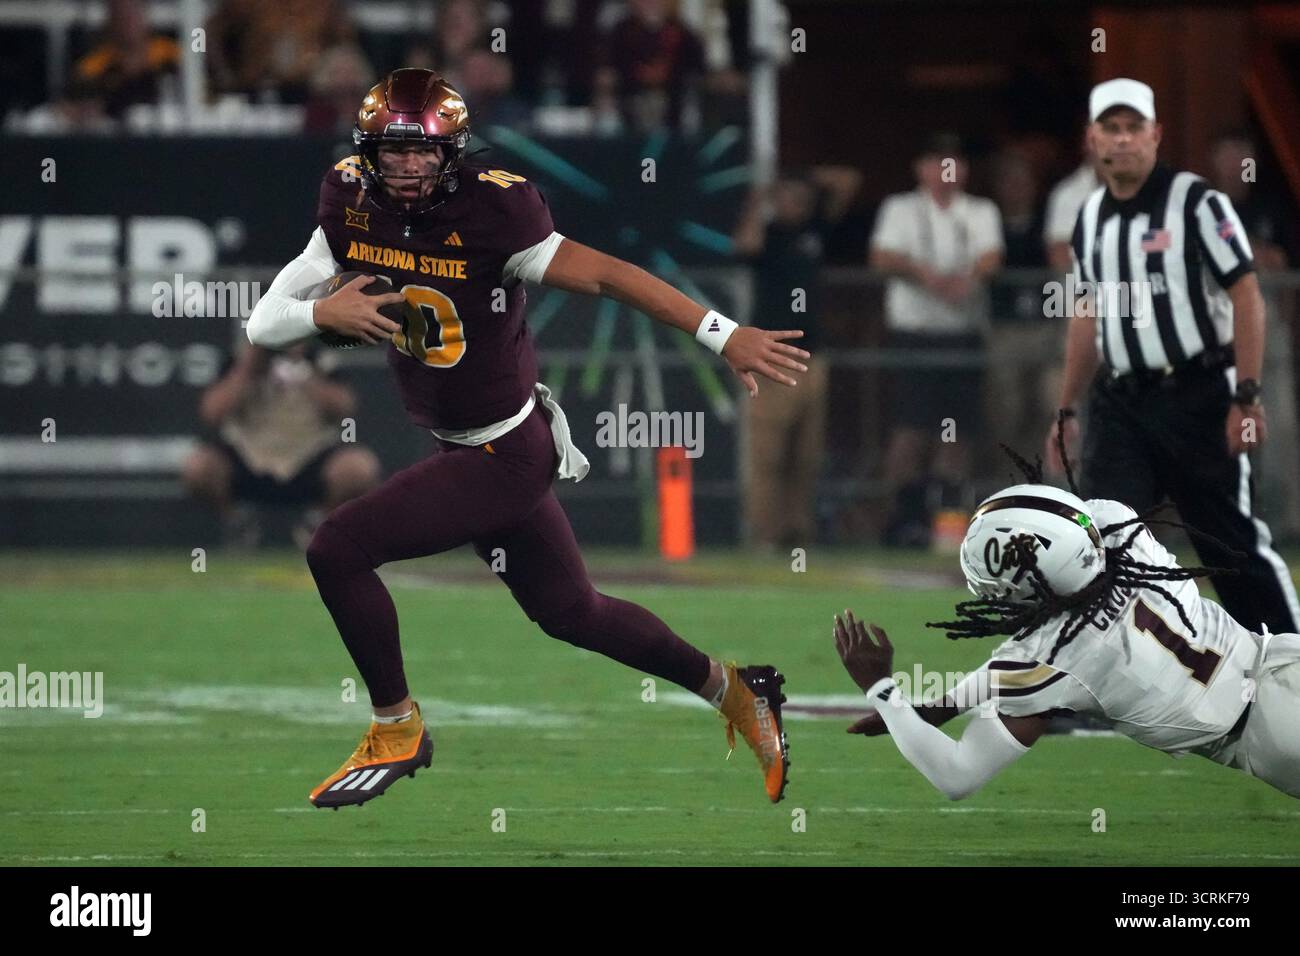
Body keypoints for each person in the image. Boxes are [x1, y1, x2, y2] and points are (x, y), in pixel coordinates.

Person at [245, 68, 802, 808]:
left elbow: (606, 276)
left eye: (423, 152)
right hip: (467, 444)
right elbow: (262, 322)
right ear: (367, 150)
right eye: (392, 150)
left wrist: (721, 333)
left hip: (504, 452)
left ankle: (396, 726)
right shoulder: (349, 196)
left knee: (336, 549)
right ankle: (735, 689)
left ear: (456, 152)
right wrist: (321, 315)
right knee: (574, 613)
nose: (407, 166)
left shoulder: (495, 210)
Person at [833, 476, 1300, 801]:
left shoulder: (1055, 658)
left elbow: (956, 774)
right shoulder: (1120, 529)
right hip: (1283, 660)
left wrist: (885, 692)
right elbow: (1064, 524)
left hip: (1270, 740)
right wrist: (939, 708)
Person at [1045, 78, 1300, 635]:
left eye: (1134, 127)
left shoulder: (1197, 203)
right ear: (1092, 139)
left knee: (1230, 544)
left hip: (1198, 395)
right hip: (1121, 402)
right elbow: (1087, 313)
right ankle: (1078, 687)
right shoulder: (1088, 218)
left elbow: (1246, 293)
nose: (1123, 140)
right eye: (1111, 129)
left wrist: (1247, 394)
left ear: (1156, 135)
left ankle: (1292, 661)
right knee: (1098, 544)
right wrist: (1066, 409)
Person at [869, 133, 1004, 546]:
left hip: (962, 335)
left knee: (957, 435)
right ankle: (897, 521)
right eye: (937, 162)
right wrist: (925, 275)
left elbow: (991, 257)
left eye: (954, 162)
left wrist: (968, 280)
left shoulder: (979, 210)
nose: (946, 172)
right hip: (915, 336)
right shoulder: (901, 208)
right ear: (922, 168)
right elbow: (881, 257)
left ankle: (947, 527)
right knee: (910, 431)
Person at [731, 167, 861, 549]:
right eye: (790, 197)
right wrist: (762, 198)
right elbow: (744, 246)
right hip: (770, 354)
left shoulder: (813, 232)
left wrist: (812, 181)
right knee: (767, 452)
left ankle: (797, 534)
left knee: (806, 454)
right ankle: (762, 535)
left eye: (803, 199)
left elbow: (848, 182)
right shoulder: (768, 236)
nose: (798, 204)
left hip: (812, 356)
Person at [183, 343, 380, 549]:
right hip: (247, 454)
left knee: (358, 469)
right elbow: (212, 413)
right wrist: (249, 369)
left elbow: (345, 408)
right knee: (199, 467)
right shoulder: (238, 360)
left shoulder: (320, 359)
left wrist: (304, 371)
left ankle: (318, 525)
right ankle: (238, 522)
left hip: (309, 455)